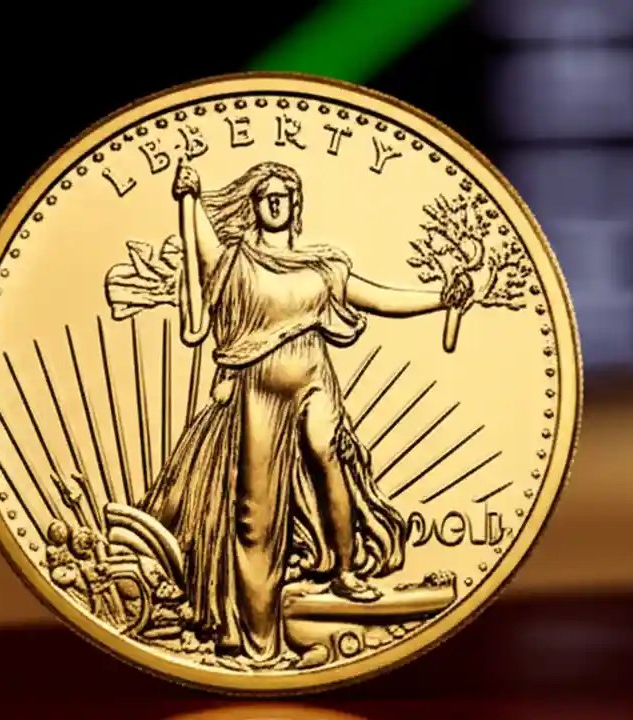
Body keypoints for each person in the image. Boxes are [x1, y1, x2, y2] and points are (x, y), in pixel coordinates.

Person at [104, 158, 473, 667]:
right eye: (266, 194)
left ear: (295, 205)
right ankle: (259, 640)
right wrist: (188, 200)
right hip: (257, 393)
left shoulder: (323, 267)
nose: (276, 201)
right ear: (254, 204)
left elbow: (376, 297)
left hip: (314, 380)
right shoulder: (236, 261)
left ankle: (345, 572)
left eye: (284, 194)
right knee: (255, 514)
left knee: (328, 454)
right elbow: (201, 247)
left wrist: (439, 299)